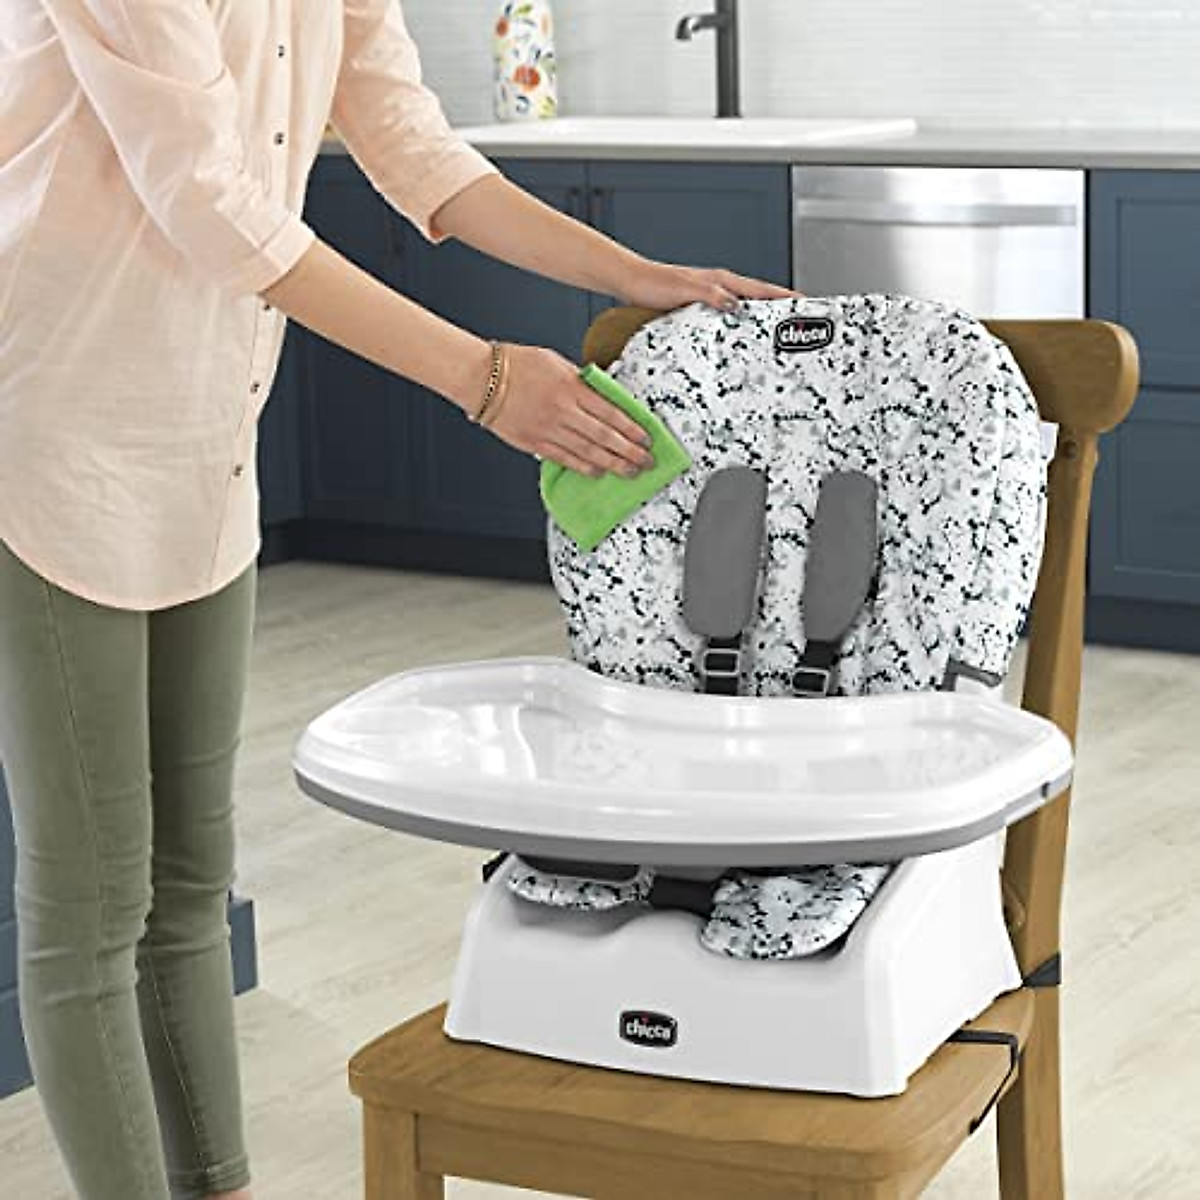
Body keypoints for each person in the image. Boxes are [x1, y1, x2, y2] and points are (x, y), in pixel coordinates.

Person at [0, 3, 791, 1198]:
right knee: (91, 901)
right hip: (55, 422)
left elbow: (410, 144)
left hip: (204, 428)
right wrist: (483, 379)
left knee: (190, 879)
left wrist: (632, 272)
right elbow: (206, 199)